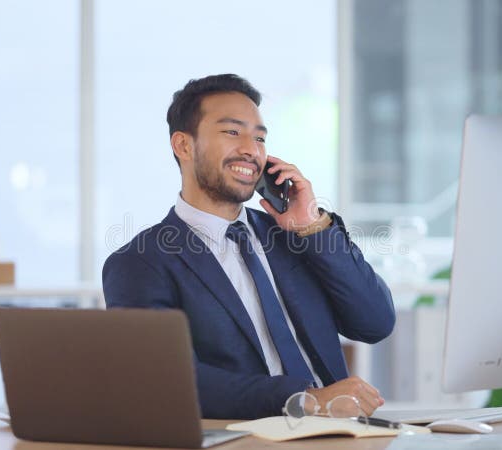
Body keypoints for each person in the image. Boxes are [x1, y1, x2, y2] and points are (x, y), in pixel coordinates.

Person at [103, 74, 395, 419]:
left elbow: (374, 323)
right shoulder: (141, 263)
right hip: (249, 435)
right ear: (183, 145)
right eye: (232, 132)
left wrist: (312, 227)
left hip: (342, 433)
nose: (251, 149)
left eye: (259, 137)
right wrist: (307, 400)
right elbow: (166, 379)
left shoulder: (295, 236)